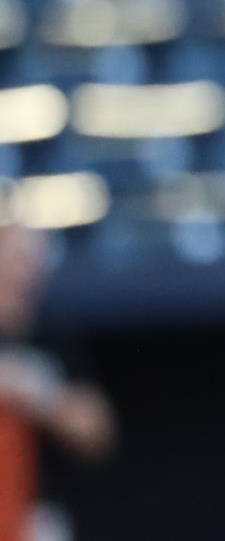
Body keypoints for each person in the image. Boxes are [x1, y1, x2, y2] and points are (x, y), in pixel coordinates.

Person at [0, 225, 114, 541]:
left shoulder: (52, 335)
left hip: (36, 516)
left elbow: (97, 432)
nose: (25, 272)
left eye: (33, 261)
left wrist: (41, 394)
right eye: (16, 259)